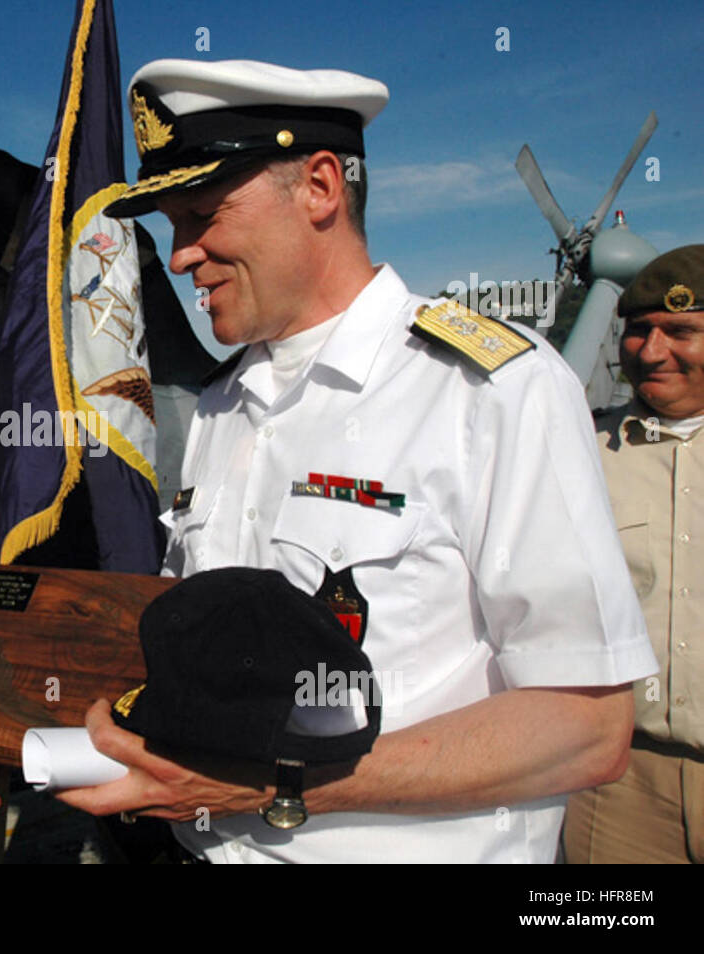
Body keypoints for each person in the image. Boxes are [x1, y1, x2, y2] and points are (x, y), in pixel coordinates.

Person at [53, 59, 657, 863]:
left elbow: (586, 729)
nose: (181, 254)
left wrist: (281, 784)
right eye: (170, 226)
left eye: (201, 213)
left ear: (321, 188)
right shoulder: (224, 406)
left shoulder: (490, 391)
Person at [564, 244, 704, 863]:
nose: (651, 352)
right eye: (638, 331)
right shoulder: (578, 453)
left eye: (681, 332)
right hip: (620, 782)